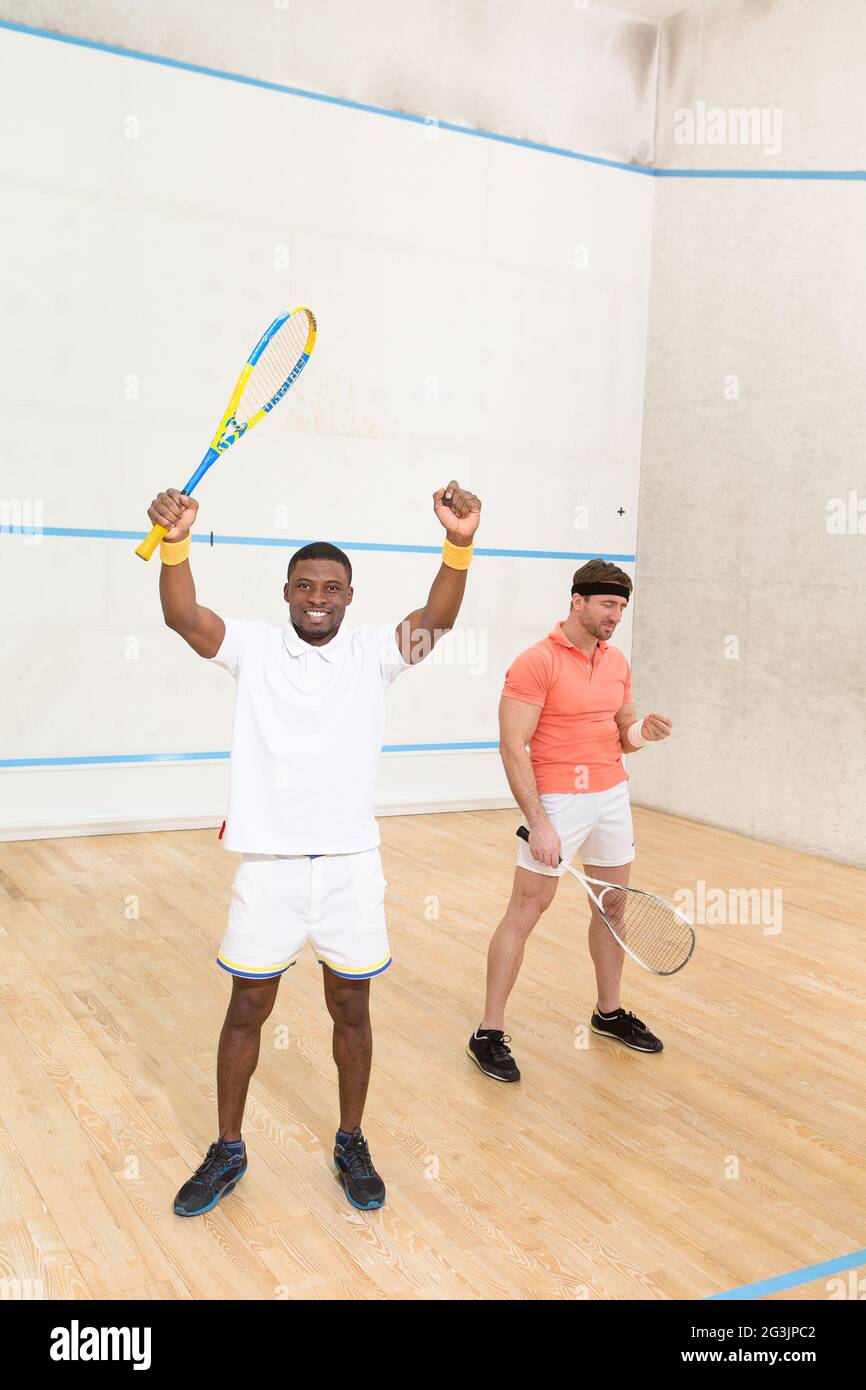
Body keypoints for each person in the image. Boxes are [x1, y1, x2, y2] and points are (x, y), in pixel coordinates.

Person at [148, 479, 481, 1213]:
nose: (318, 596)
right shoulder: (255, 648)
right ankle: (228, 1147)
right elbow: (181, 616)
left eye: (332, 586)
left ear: (351, 596)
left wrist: (458, 543)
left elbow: (438, 622)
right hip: (267, 868)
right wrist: (175, 541)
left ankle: (350, 1139)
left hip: (349, 869)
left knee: (351, 1009)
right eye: (306, 585)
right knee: (246, 1009)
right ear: (288, 591)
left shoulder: (374, 654)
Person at [468, 559, 672, 1082]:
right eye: (608, 604)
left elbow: (624, 732)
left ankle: (608, 1013)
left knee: (612, 906)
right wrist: (538, 820)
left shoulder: (616, 661)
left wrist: (643, 733)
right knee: (526, 911)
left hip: (612, 796)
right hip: (558, 798)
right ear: (577, 600)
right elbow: (512, 746)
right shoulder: (535, 662)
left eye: (622, 607)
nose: (615, 615)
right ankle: (488, 1031)